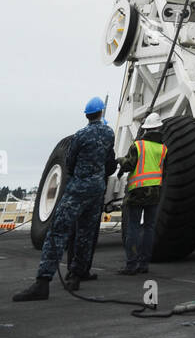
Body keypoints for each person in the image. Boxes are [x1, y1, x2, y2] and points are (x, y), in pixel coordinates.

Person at [13, 97, 115, 301]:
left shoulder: (81, 135)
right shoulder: (109, 134)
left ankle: (43, 282)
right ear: (101, 113)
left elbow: (69, 161)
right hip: (97, 190)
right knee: (86, 234)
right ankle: (76, 276)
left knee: (57, 232)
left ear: (87, 114)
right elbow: (109, 162)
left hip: (78, 188)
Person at [118, 112, 167, 274]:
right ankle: (144, 264)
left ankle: (131, 265)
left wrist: (120, 161)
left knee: (133, 228)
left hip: (137, 192)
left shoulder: (138, 146)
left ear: (146, 129)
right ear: (159, 128)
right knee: (149, 228)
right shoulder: (163, 149)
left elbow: (128, 165)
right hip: (155, 192)